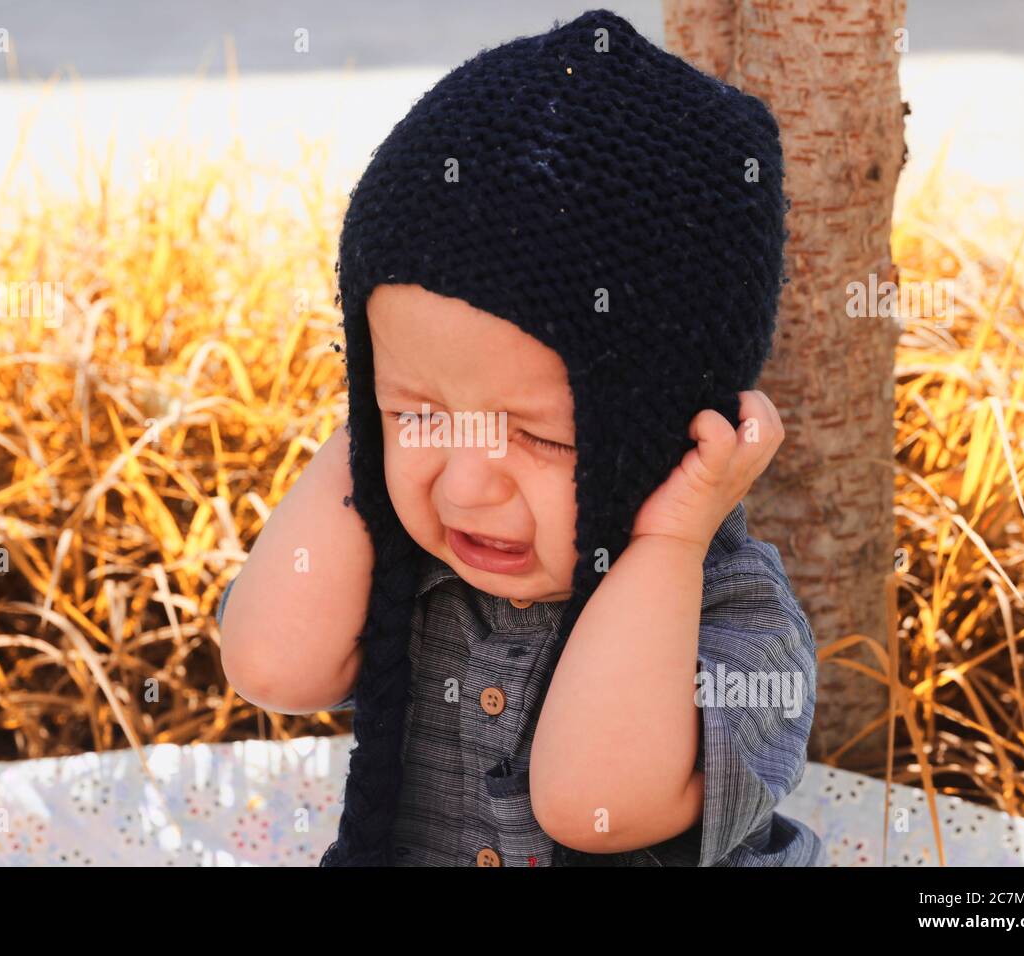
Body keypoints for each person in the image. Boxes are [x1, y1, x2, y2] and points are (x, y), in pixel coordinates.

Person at [219, 8, 826, 867]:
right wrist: (368, 424)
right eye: (418, 414)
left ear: (666, 427)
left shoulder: (733, 618)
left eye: (542, 438)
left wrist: (666, 540)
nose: (467, 487)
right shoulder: (413, 566)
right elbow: (271, 665)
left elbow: (595, 805)